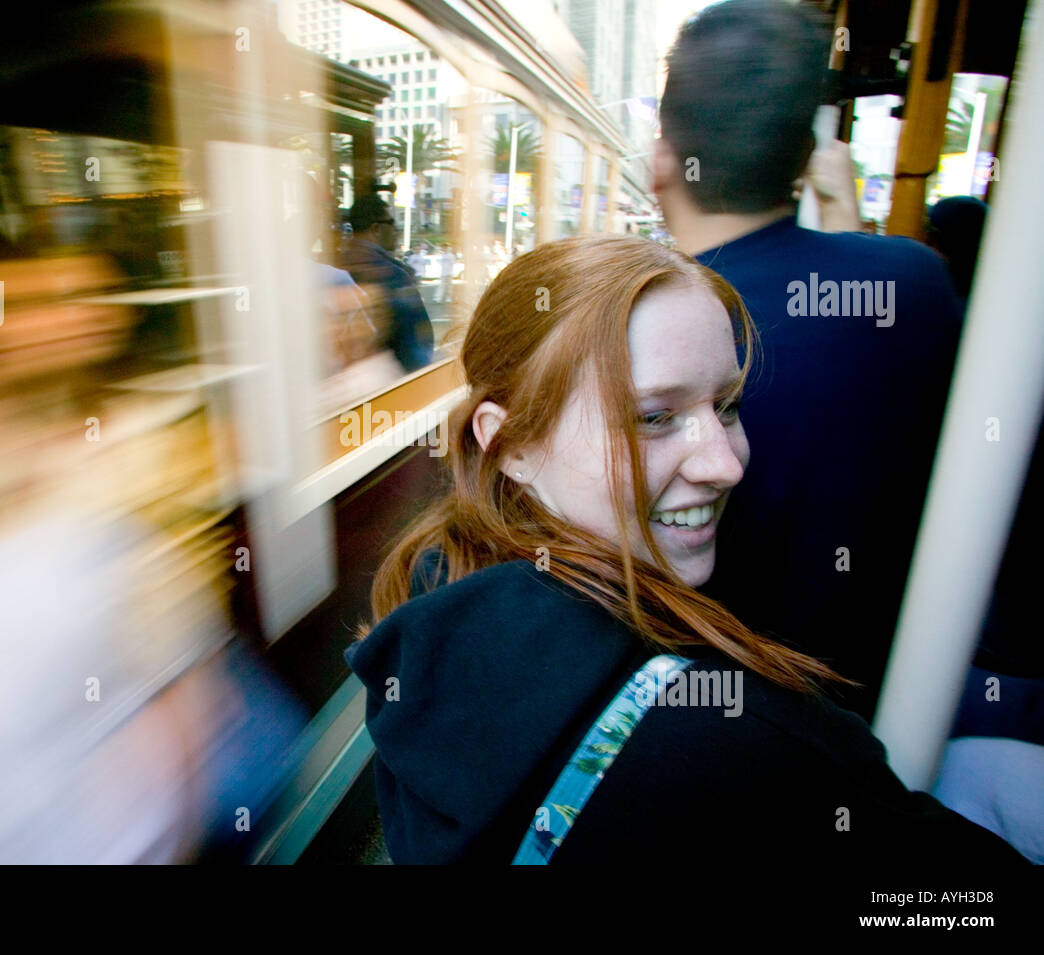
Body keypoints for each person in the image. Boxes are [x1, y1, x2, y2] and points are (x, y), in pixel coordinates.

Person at [345, 235, 1023, 865]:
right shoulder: (738, 748)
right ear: (511, 444)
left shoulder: (433, 606)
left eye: (725, 405)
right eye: (654, 417)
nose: (725, 463)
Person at [652, 0, 965, 719]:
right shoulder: (913, 284)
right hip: (878, 710)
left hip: (698, 720)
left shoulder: (640, 325)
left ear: (665, 160)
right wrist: (845, 213)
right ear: (805, 159)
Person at [340, 194, 434, 374]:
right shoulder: (394, 276)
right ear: (376, 229)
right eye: (392, 223)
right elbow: (417, 349)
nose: (396, 231)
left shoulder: (337, 264)